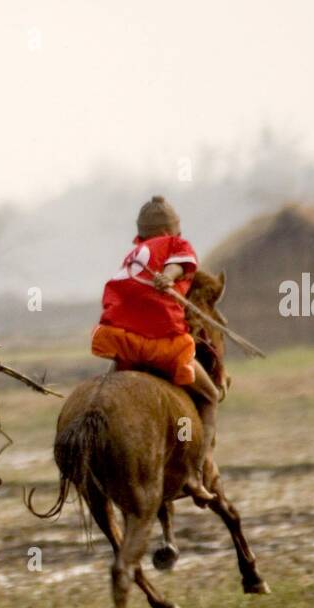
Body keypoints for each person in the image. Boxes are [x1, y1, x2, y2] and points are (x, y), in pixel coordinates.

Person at [90, 196, 219, 485]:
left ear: (141, 233)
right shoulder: (177, 246)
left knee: (107, 392)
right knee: (210, 396)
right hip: (163, 346)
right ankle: (197, 471)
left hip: (123, 344)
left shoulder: (133, 257)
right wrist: (169, 277)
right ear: (173, 231)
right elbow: (179, 265)